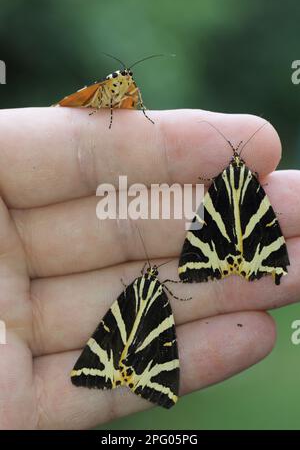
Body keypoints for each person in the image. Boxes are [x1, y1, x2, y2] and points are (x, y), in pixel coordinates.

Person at [0, 107, 298, 429]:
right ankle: (142, 373)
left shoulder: (222, 183)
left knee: (126, 321)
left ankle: (104, 366)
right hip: (228, 232)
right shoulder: (246, 186)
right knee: (157, 322)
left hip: (185, 258)